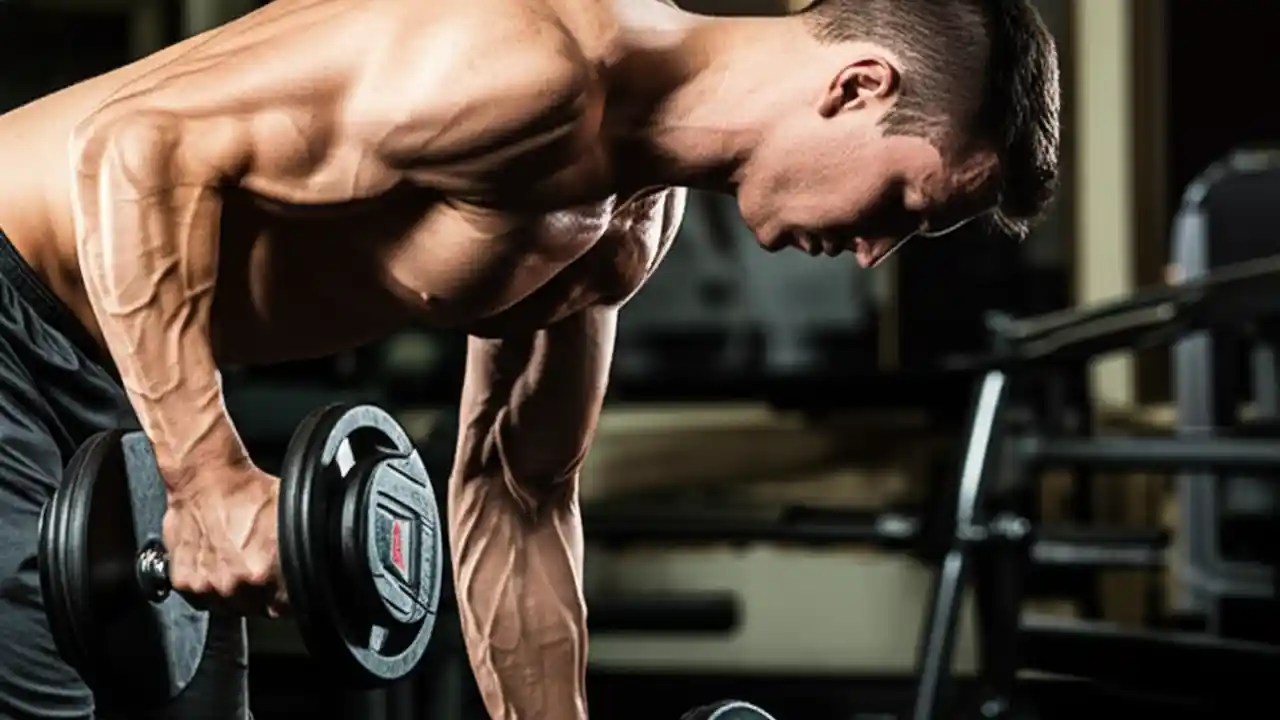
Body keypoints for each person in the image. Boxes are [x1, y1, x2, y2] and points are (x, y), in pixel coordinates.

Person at [0, 0, 1059, 717]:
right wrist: (209, 478)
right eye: (904, 206)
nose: (872, 251)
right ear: (859, 86)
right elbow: (138, 149)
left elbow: (516, 492)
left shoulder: (627, 228)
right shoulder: (527, 56)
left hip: (127, 379)